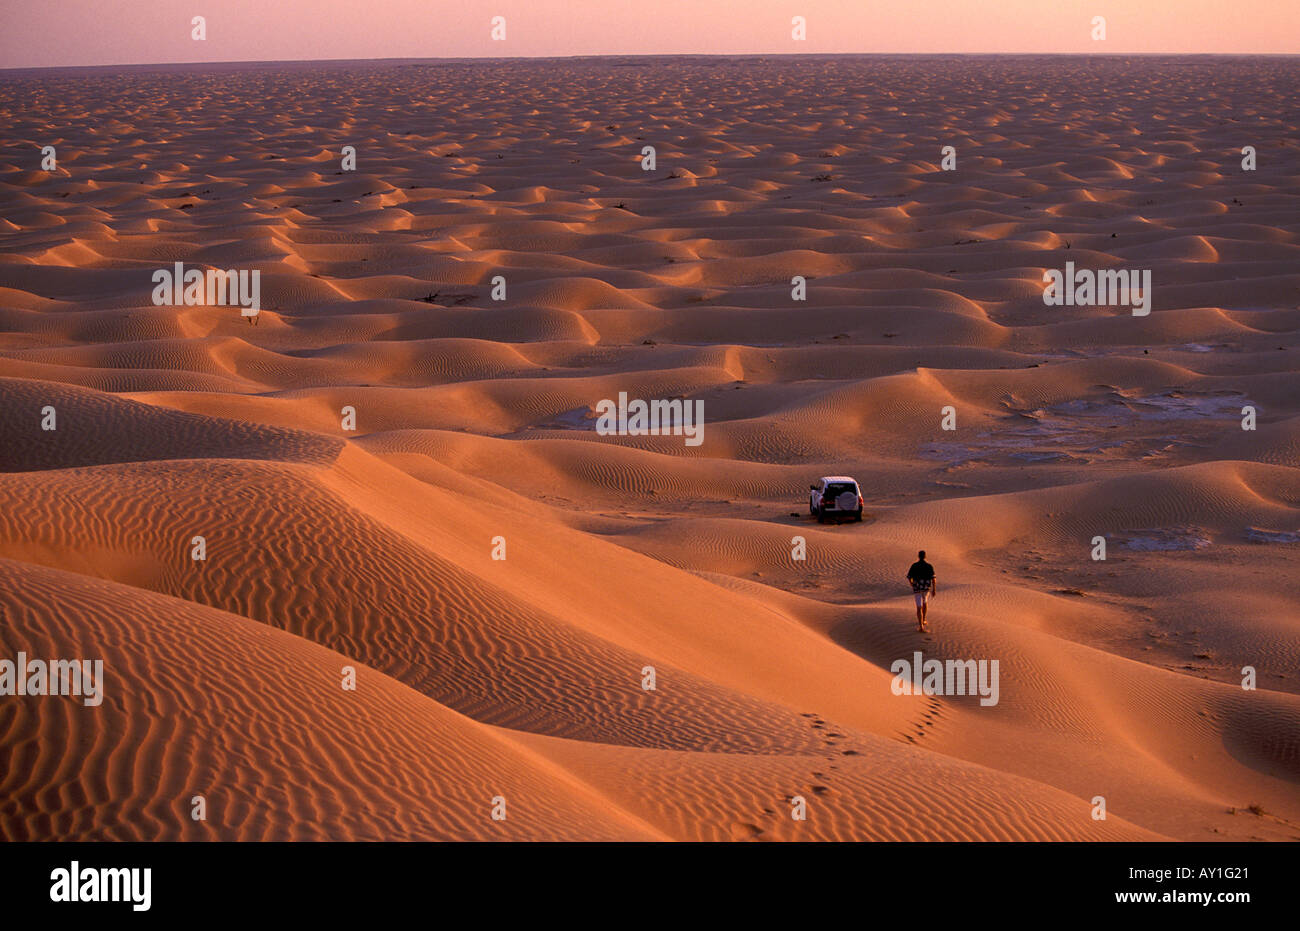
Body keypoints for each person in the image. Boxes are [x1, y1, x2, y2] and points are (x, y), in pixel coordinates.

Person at [906, 550, 937, 632]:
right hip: (926, 588)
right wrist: (934, 589)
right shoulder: (929, 566)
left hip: (917, 588)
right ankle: (923, 620)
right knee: (925, 603)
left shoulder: (914, 566)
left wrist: (912, 584)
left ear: (918, 556)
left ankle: (921, 626)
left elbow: (909, 577)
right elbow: (933, 579)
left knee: (919, 607)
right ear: (925, 556)